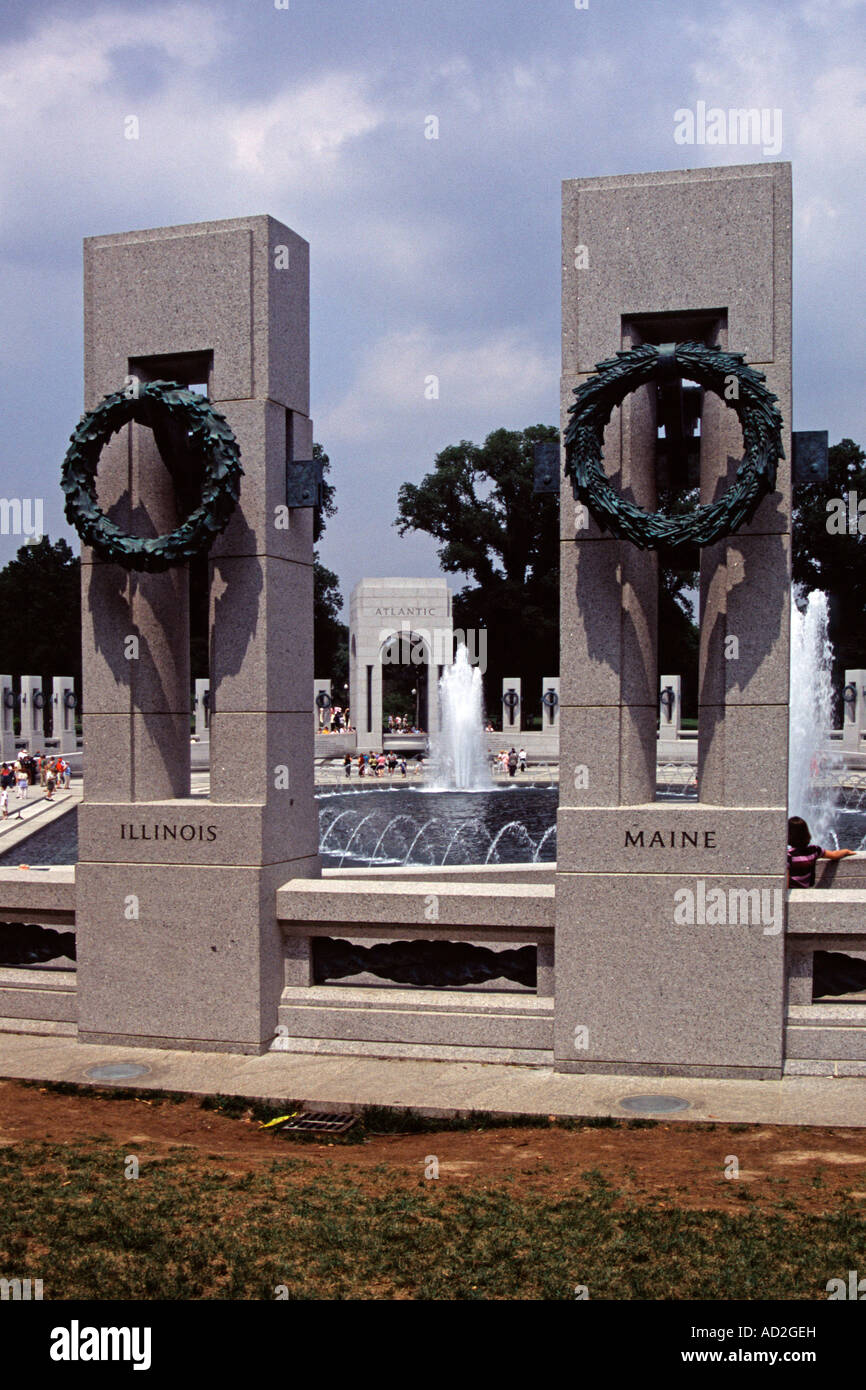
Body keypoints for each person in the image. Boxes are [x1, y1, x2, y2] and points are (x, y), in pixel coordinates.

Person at [787, 816, 855, 888]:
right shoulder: (814, 850)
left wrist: (777, 899)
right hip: (805, 891)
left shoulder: (788, 856)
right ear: (806, 833)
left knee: (776, 892)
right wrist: (846, 851)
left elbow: (784, 883)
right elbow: (834, 855)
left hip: (792, 894)